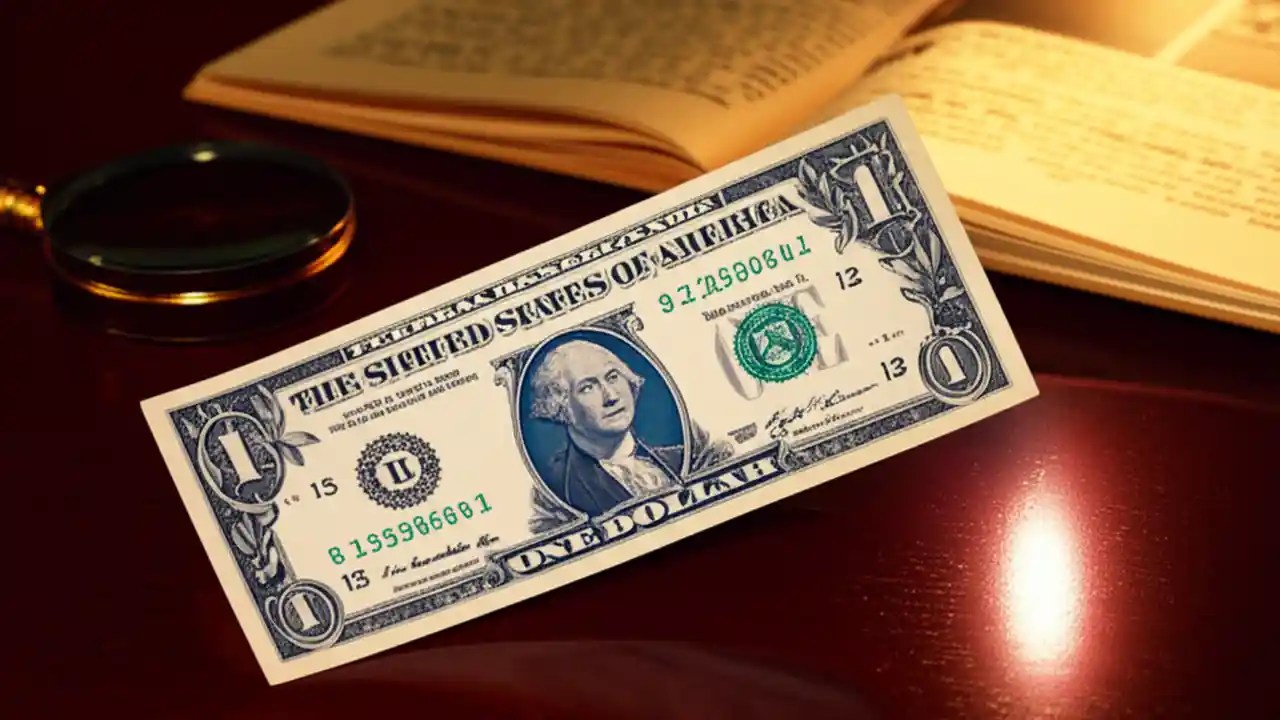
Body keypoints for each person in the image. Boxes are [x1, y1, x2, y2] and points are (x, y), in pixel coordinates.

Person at [529, 339, 684, 516]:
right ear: (560, 406)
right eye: (587, 388)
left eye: (612, 377)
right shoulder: (558, 491)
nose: (611, 397)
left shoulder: (680, 458)